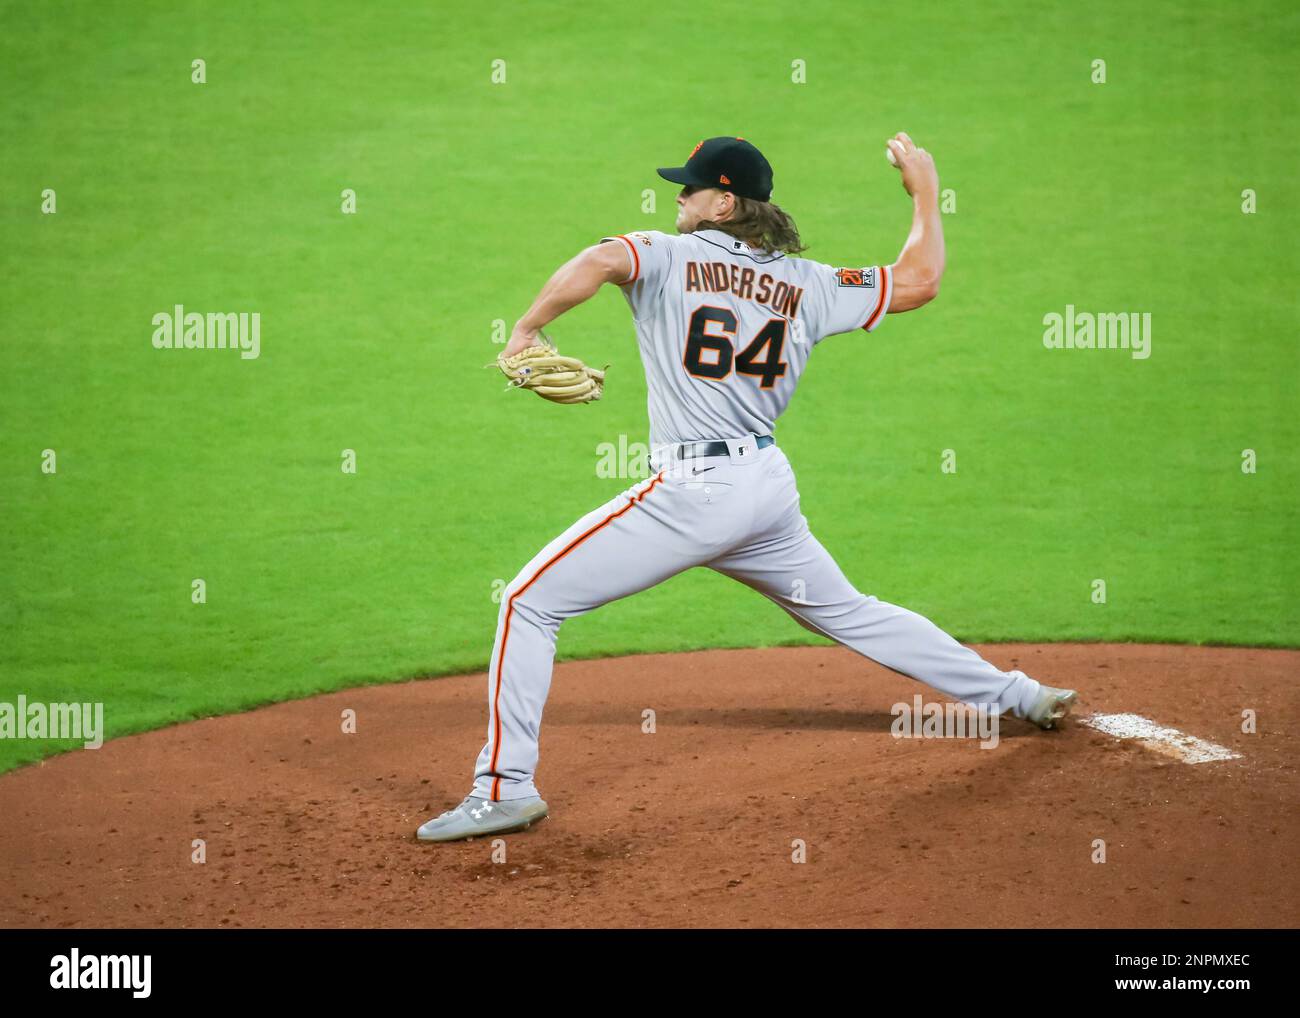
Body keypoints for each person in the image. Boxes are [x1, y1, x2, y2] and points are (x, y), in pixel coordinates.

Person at [417, 134, 1077, 842]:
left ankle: (504, 787)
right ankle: (1021, 695)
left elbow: (604, 258)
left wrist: (529, 327)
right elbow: (919, 281)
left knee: (528, 601)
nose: (677, 197)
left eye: (689, 188)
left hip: (695, 493)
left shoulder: (666, 254)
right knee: (849, 610)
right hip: (763, 489)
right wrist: (923, 190)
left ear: (723, 202)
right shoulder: (812, 283)